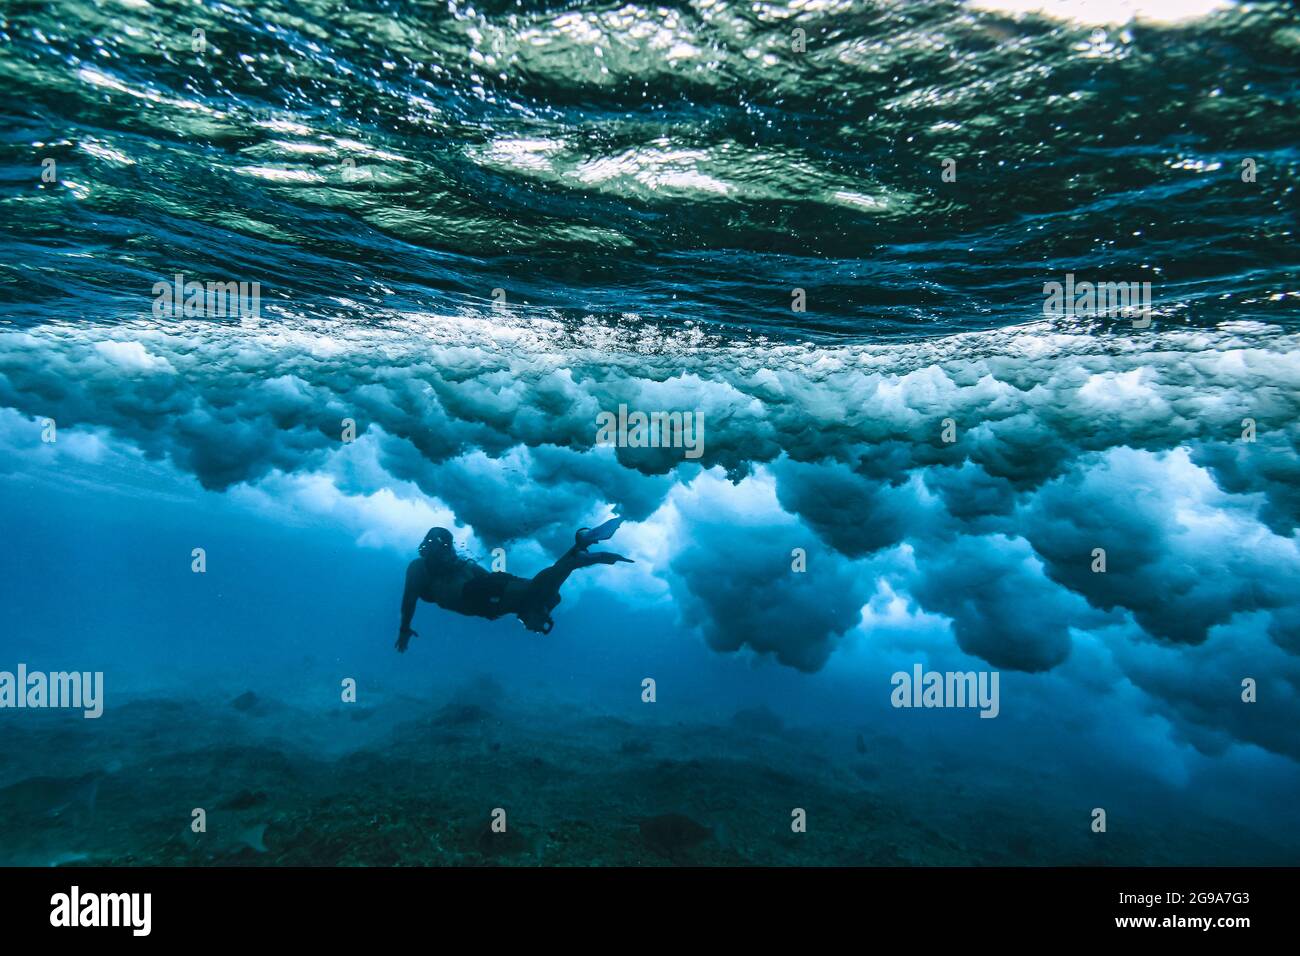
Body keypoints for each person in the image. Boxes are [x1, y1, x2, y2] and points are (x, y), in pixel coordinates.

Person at [397, 519, 631, 652]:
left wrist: (404, 629)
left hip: (479, 596)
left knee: (540, 593)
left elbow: (409, 600)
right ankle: (578, 550)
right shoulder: (455, 564)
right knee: (544, 594)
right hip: (489, 591)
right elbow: (489, 578)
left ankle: (577, 556)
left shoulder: (421, 567)